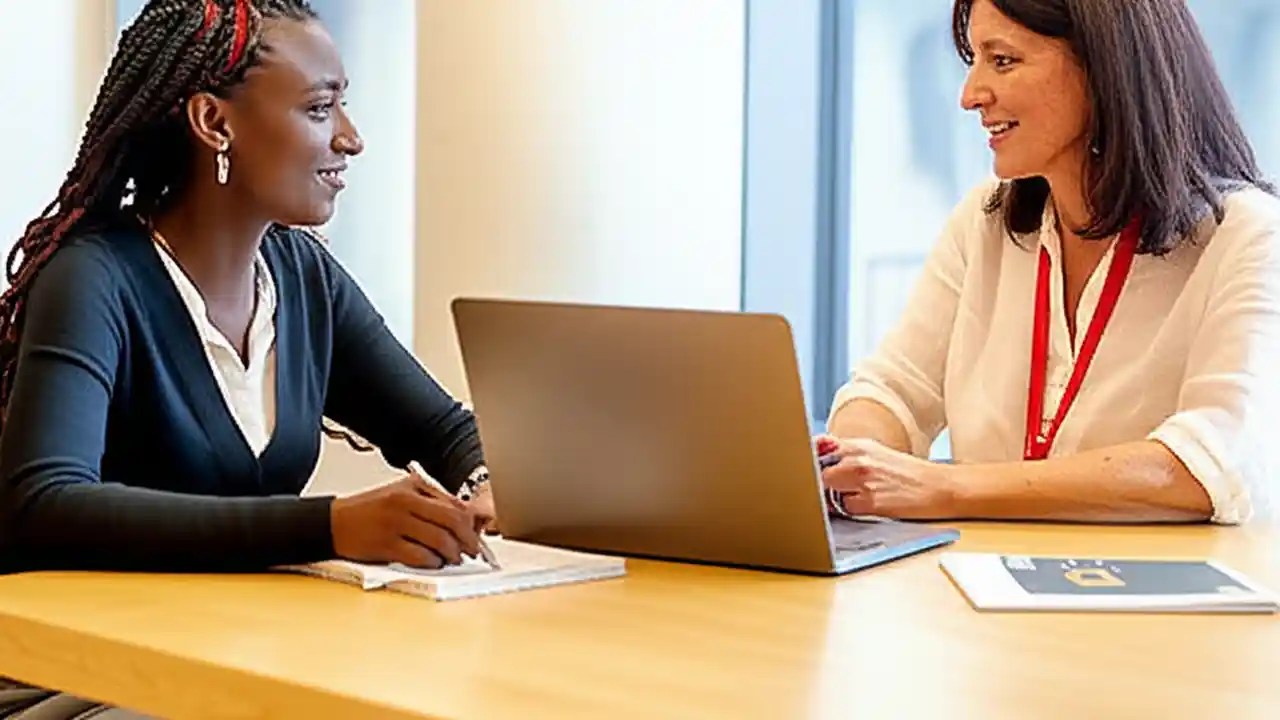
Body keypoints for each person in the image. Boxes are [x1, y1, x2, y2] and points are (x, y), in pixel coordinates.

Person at [0, 1, 495, 716]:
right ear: (214, 122)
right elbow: (41, 504)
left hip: (230, 653)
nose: (351, 139)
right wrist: (330, 526)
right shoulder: (96, 277)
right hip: (76, 678)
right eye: (320, 108)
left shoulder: (303, 277)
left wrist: (483, 480)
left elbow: (446, 431)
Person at [818, 0, 1280, 525]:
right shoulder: (984, 222)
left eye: (1003, 61)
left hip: (1146, 598)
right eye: (974, 59)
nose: (970, 95)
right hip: (980, 587)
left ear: (1105, 66)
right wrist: (854, 461)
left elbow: (1209, 465)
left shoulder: (1250, 237)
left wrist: (946, 487)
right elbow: (892, 391)